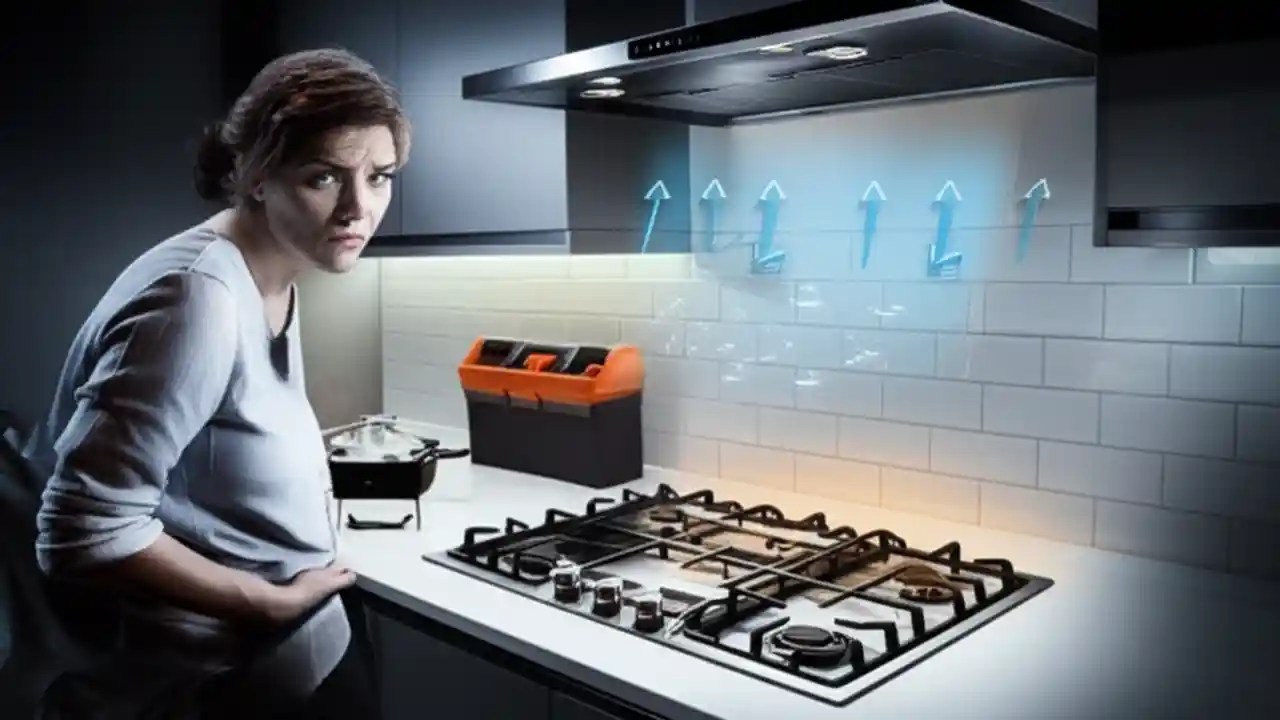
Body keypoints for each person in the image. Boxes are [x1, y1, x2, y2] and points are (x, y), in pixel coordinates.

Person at [20, 47, 411, 718]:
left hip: (293, 645)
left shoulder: (274, 265)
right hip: (224, 679)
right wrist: (267, 600)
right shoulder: (197, 298)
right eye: (325, 177)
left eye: (380, 176)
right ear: (257, 176)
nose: (359, 208)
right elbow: (82, 529)